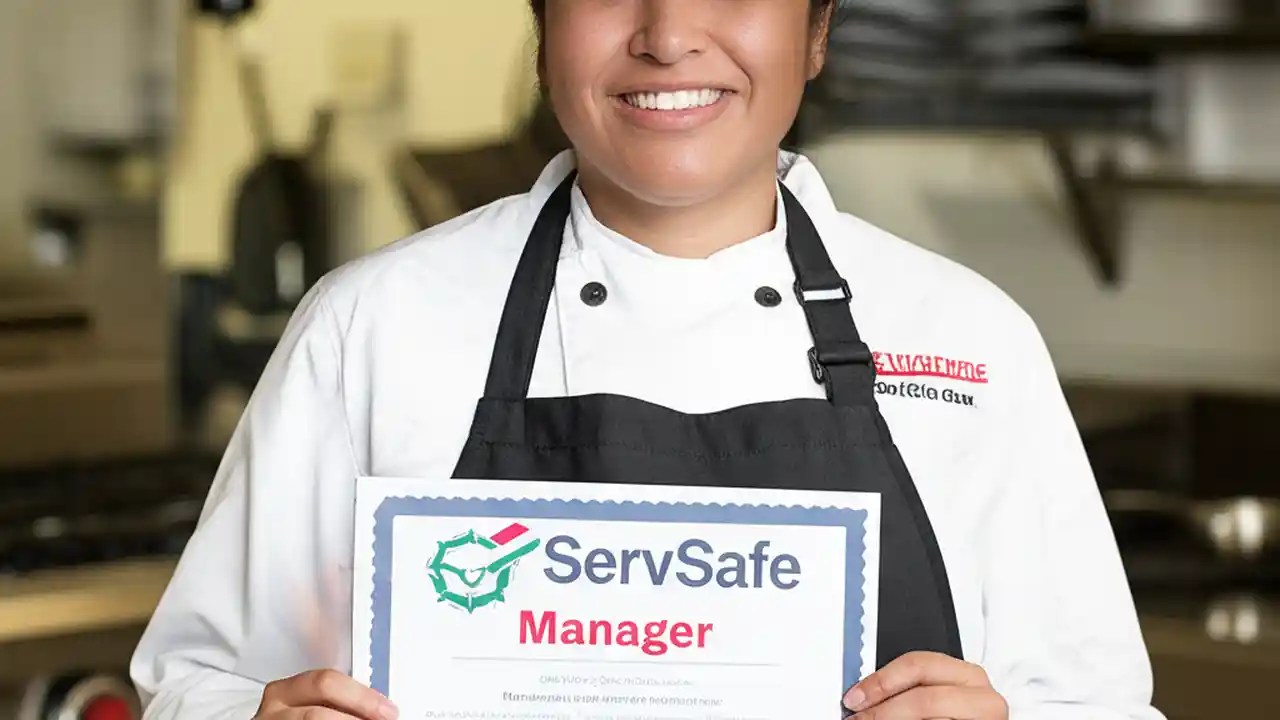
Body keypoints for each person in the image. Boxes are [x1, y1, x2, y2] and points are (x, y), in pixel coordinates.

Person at [131, 1, 1165, 719]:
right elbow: (191, 683)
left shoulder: (969, 341)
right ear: (542, 31)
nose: (667, 37)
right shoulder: (372, 325)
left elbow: (1099, 708)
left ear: (817, 31)